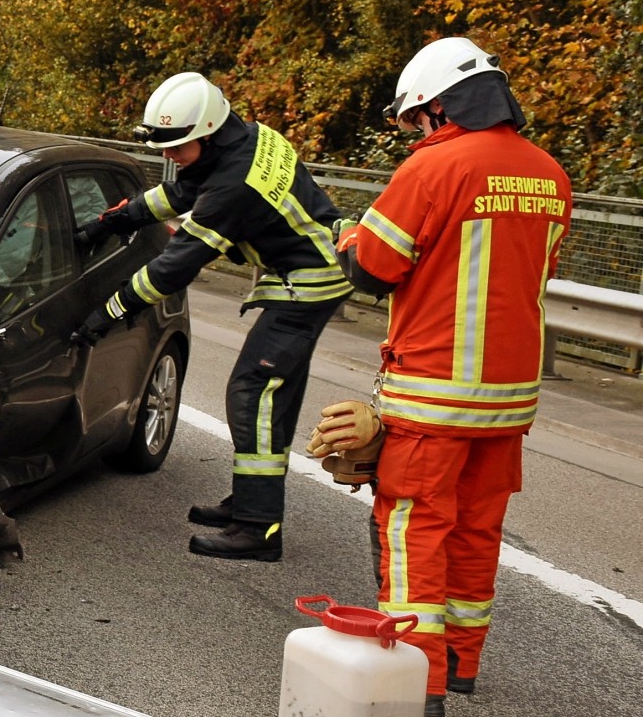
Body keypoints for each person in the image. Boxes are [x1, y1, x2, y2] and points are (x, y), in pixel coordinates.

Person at [335, 37, 571, 717]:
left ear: (439, 108)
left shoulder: (433, 169)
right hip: (509, 402)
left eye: (415, 121)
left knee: (415, 534)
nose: (414, 134)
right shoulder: (550, 175)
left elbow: (374, 268)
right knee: (476, 532)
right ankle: (462, 665)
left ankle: (420, 684)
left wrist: (348, 235)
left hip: (432, 397)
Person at [74, 72, 352, 561]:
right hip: (311, 274)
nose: (167, 156)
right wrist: (117, 218)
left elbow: (175, 265)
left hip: (306, 287)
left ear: (206, 133)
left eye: (176, 147)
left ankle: (258, 528)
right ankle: (251, 501)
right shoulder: (244, 141)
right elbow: (184, 193)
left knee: (252, 396)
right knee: (270, 397)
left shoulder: (237, 184)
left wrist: (110, 311)